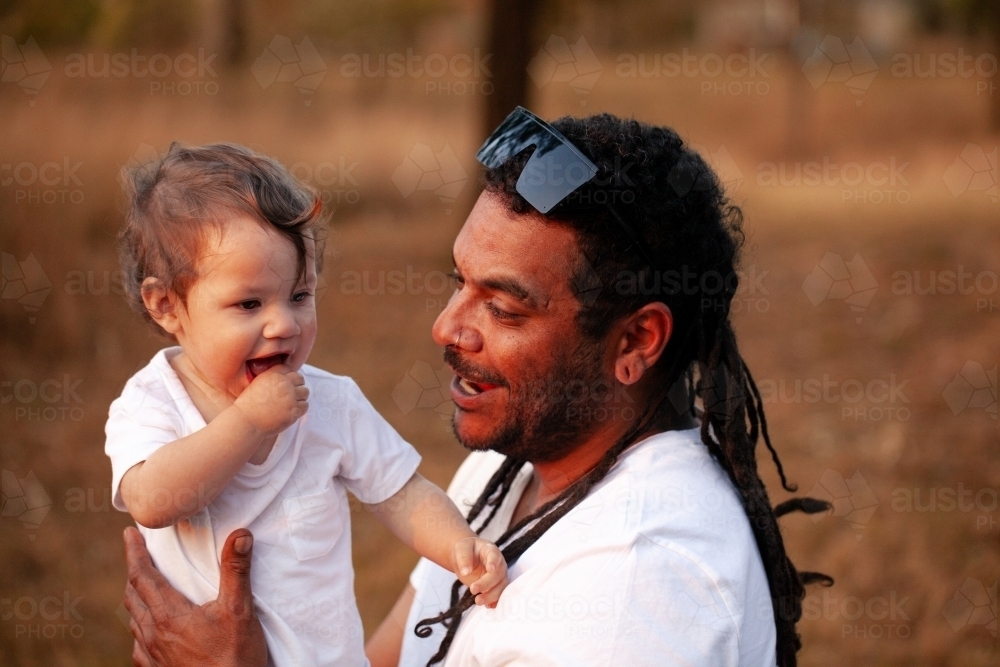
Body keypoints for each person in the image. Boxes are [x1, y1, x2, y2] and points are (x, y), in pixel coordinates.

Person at [123, 112, 828, 667]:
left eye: (504, 307)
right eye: (458, 281)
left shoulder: (636, 595)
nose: (445, 327)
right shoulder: (512, 466)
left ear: (636, 341)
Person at [107, 143, 507, 667]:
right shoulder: (153, 402)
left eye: (299, 296)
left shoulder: (331, 402)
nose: (283, 324)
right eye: (249, 303)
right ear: (166, 305)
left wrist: (458, 545)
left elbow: (400, 493)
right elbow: (152, 500)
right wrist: (248, 421)